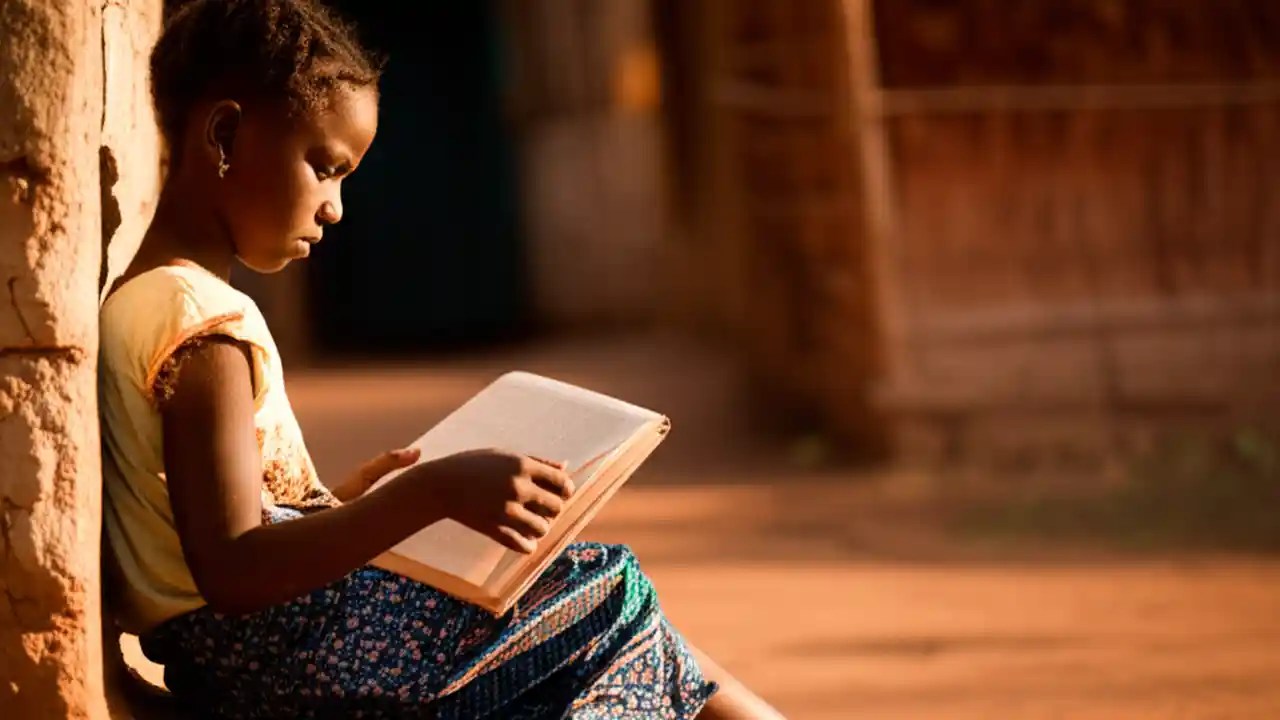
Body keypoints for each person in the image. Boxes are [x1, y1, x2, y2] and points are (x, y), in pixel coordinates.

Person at [99, 1, 785, 717]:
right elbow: (234, 567)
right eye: (326, 168)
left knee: (608, 622)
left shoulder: (150, 301)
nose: (335, 207)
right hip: (283, 650)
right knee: (606, 592)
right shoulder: (201, 325)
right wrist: (427, 497)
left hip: (255, 646)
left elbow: (208, 528)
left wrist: (344, 500)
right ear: (226, 133)